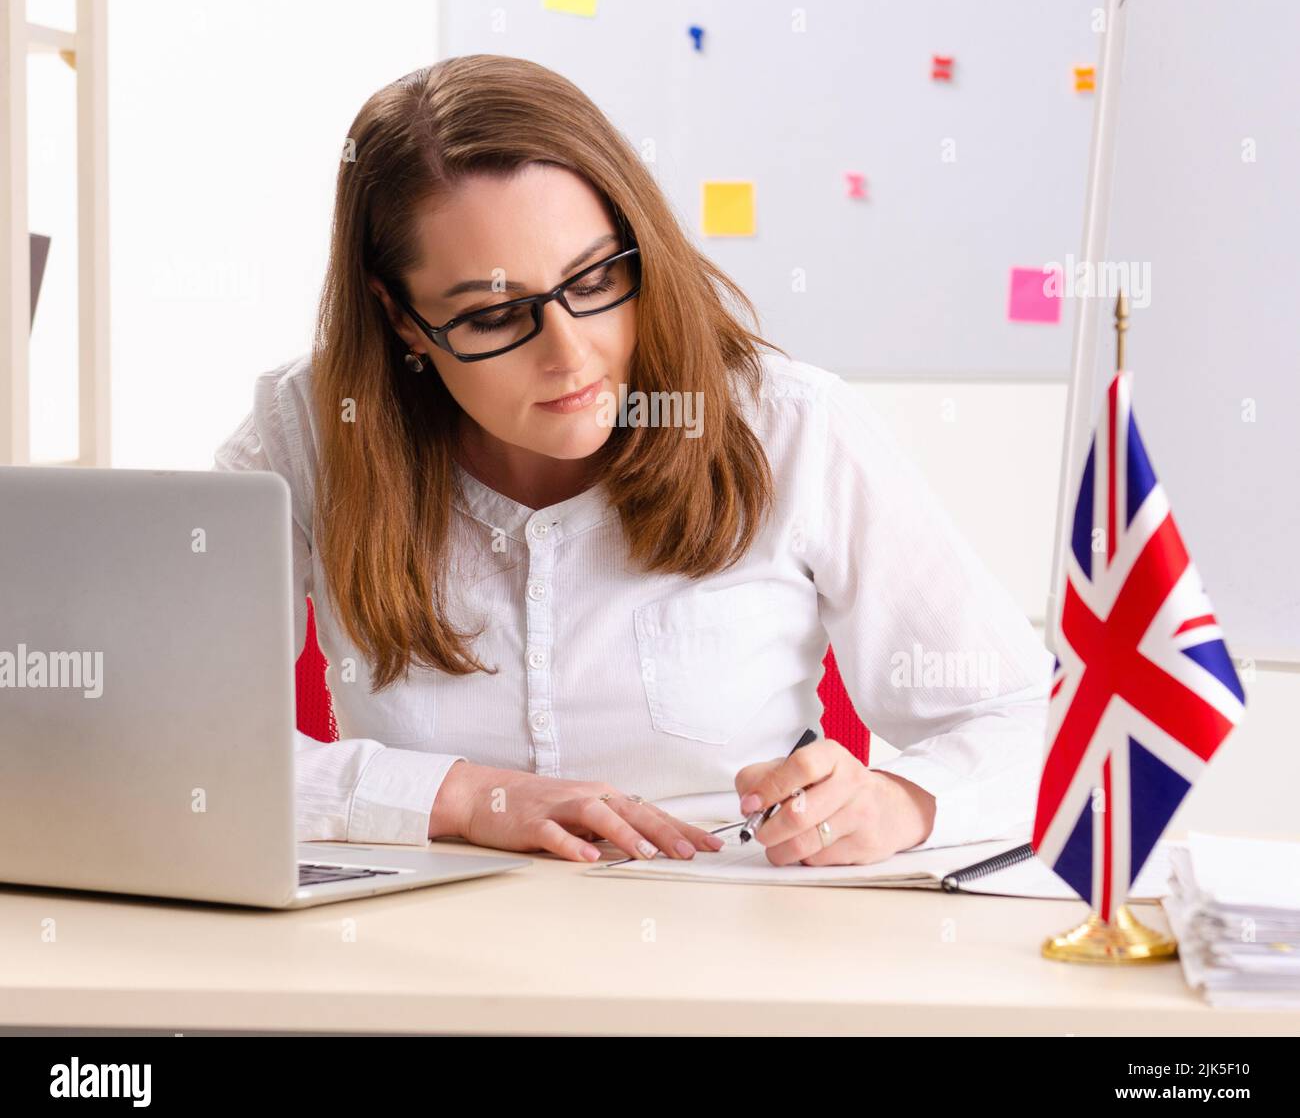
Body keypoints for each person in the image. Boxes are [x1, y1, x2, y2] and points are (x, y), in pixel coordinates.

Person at [214, 54, 1052, 869]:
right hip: (421, 970)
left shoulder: (793, 427)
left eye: (595, 278)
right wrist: (463, 798)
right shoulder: (309, 432)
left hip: (722, 962)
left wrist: (902, 801)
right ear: (399, 319)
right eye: (495, 316)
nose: (570, 355)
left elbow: (1030, 718)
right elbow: (171, 736)